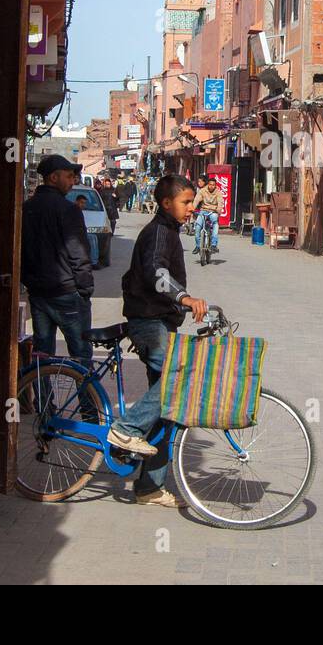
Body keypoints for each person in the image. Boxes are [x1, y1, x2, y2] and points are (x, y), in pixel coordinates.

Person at [109, 174, 208, 507]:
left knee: (168, 408)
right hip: (149, 323)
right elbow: (155, 273)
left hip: (161, 322)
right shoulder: (157, 233)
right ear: (167, 204)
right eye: (186, 202)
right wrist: (184, 297)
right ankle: (126, 428)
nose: (191, 209)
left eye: (192, 203)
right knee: (176, 381)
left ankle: (149, 487)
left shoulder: (169, 232)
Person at [20, 154, 94, 361]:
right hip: (66, 293)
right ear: (54, 177)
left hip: (39, 292)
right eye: (69, 177)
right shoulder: (68, 210)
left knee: (41, 355)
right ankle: (88, 395)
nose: (73, 182)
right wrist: (85, 289)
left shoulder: (27, 208)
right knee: (81, 356)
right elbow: (79, 252)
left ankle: (43, 394)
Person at [192, 176, 224, 253]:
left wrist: (219, 210)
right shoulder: (202, 191)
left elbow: (220, 202)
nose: (211, 186)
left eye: (213, 185)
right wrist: (192, 208)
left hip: (213, 212)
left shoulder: (218, 192)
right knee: (197, 227)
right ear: (208, 184)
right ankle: (197, 246)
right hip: (203, 211)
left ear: (215, 185)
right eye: (210, 184)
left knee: (215, 223)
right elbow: (196, 200)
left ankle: (213, 245)